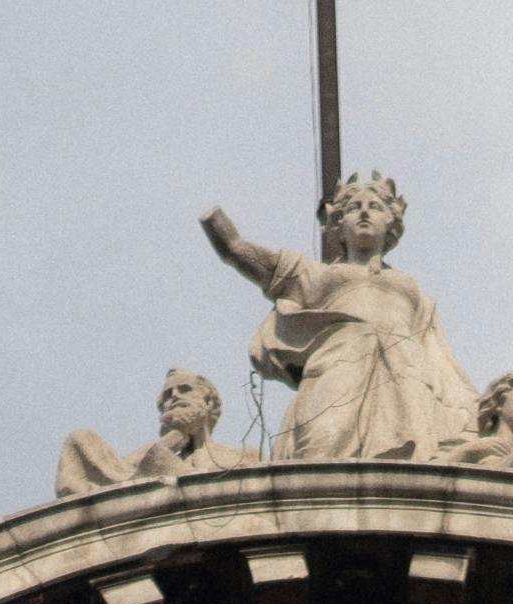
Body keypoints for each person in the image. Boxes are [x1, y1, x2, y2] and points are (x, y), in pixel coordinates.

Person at [198, 173, 480, 464]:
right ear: (339, 226)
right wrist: (212, 220)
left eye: (376, 206)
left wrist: (467, 407)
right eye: (354, 207)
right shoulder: (320, 275)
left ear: (391, 224)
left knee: (410, 451)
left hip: (405, 368)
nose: (365, 212)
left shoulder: (410, 287)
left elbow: (435, 350)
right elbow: (237, 250)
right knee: (324, 438)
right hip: (341, 359)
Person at [53, 367, 251, 503]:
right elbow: (125, 471)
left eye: (184, 389)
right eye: (167, 395)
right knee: (79, 437)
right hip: (140, 501)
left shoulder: (242, 456)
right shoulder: (157, 450)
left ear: (208, 402)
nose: (173, 396)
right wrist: (175, 438)